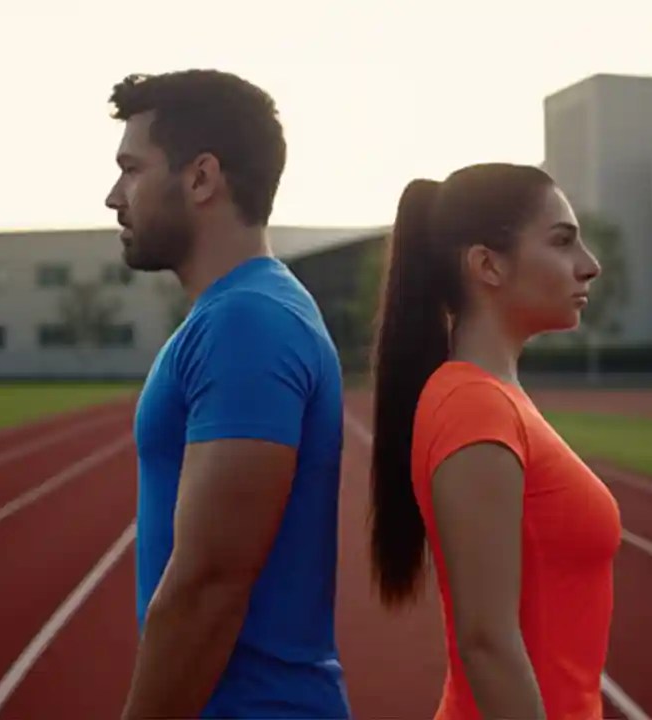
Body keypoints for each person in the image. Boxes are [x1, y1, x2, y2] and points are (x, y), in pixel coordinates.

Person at [104, 69, 350, 719]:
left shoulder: (247, 322)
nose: (112, 196)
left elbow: (208, 589)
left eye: (131, 169)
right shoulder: (239, 313)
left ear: (202, 178)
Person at [367, 163, 621, 720]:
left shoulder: (491, 398)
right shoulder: (473, 406)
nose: (590, 266)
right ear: (487, 265)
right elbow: (487, 642)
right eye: (562, 242)